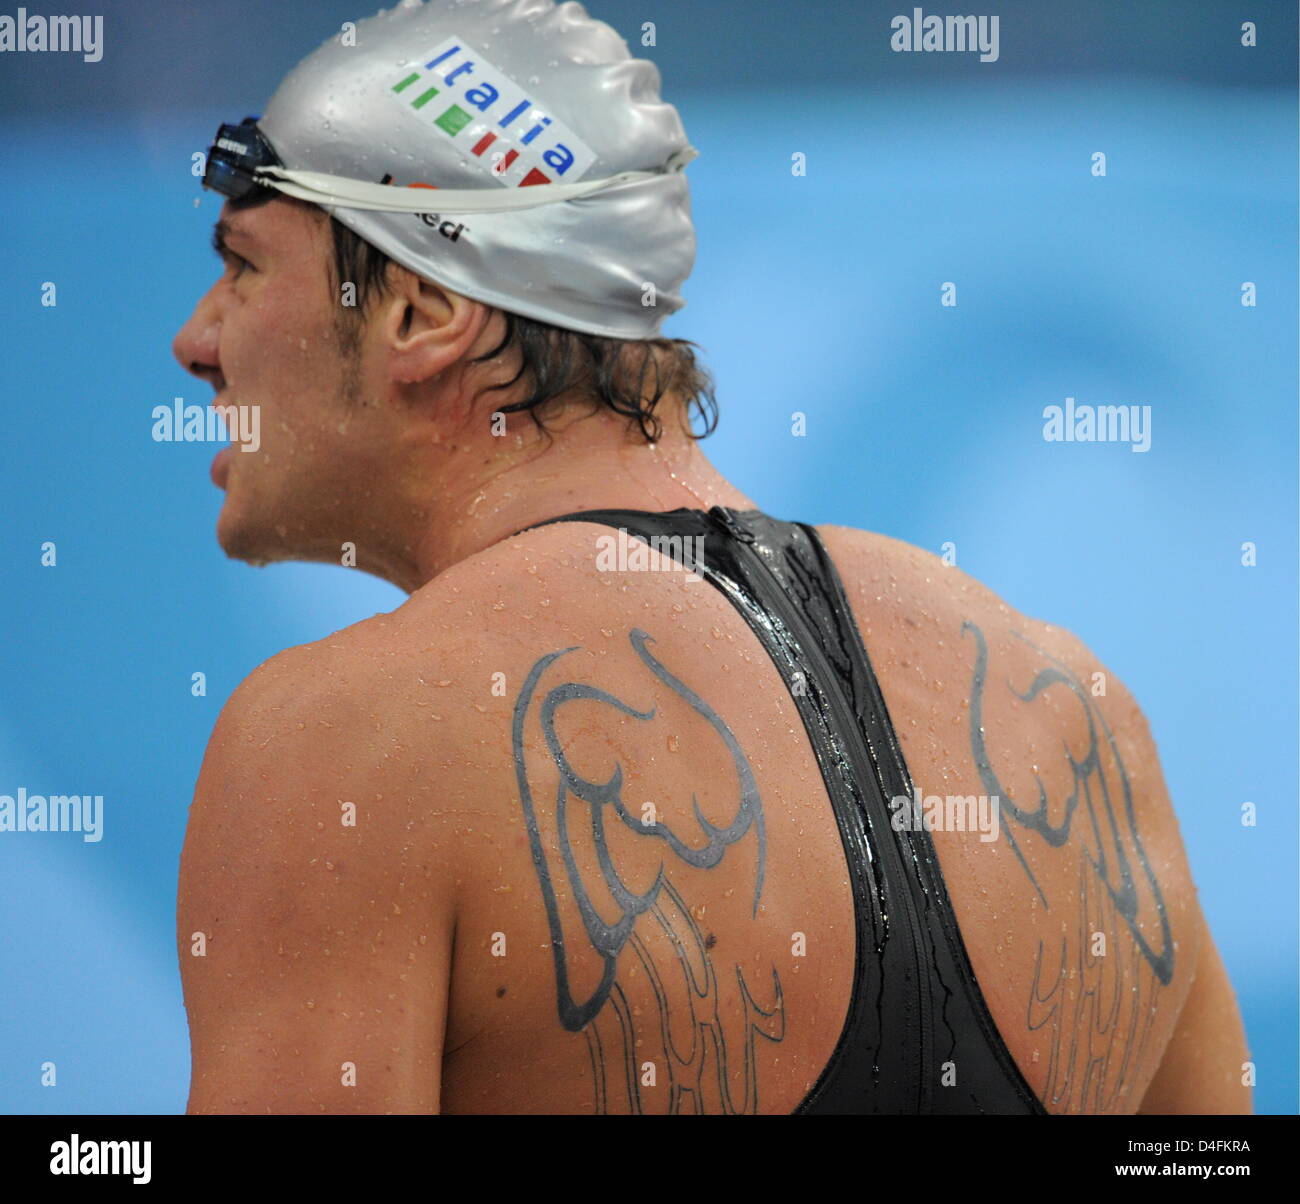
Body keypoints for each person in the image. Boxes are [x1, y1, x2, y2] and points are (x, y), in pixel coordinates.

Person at [173, 0, 1249, 1115]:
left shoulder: (350, 740)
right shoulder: (1078, 718)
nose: (197, 339)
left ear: (426, 309)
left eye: (244, 267)